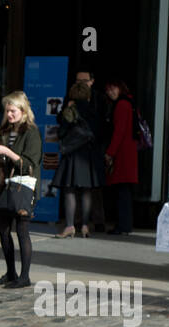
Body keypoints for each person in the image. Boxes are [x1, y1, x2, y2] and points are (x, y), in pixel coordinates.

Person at [0, 91, 41, 288]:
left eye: (13, 111)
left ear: (23, 111)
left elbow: (29, 164)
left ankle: (24, 276)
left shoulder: (31, 132)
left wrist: (7, 152)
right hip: (6, 187)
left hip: (23, 188)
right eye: (7, 111)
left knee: (22, 231)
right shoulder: (5, 131)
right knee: (2, 230)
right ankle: (10, 272)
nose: (9, 115)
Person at [53, 82, 105, 237]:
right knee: (87, 191)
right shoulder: (94, 113)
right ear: (88, 96)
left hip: (72, 155)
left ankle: (70, 226)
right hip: (89, 156)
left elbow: (61, 132)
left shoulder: (70, 112)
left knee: (70, 190)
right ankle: (84, 226)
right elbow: (101, 134)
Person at [103, 79, 140, 234]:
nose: (110, 92)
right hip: (128, 152)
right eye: (108, 89)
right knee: (124, 191)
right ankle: (124, 225)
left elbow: (119, 131)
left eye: (113, 88)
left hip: (122, 153)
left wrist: (110, 153)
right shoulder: (129, 102)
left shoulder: (121, 105)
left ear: (120, 88)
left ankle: (123, 226)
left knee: (122, 192)